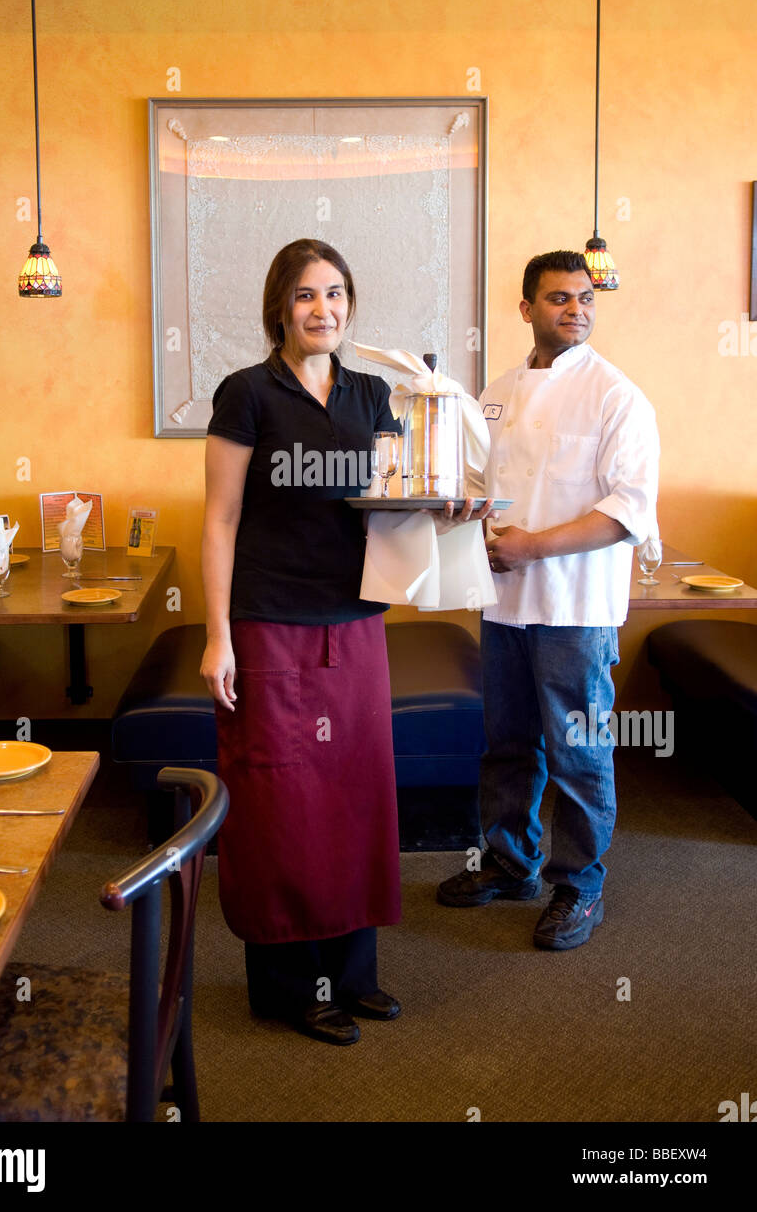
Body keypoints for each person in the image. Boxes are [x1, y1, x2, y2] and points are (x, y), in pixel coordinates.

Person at [200, 238, 402, 1045]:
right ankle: (287, 987)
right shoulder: (247, 393)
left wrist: (452, 510)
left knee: (355, 799)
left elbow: (396, 500)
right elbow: (218, 519)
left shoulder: (373, 394)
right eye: (306, 297)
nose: (324, 310)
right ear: (279, 309)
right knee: (281, 804)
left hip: (354, 623)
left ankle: (353, 977)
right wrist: (218, 636)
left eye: (336, 294)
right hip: (270, 625)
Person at [437, 249, 660, 949]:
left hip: (575, 608)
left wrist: (531, 545)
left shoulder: (616, 397)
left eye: (585, 298)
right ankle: (510, 862)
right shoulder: (494, 393)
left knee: (578, 752)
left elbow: (627, 512)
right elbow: (474, 486)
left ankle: (579, 885)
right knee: (506, 744)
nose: (576, 310)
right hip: (502, 602)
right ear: (526, 307)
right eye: (559, 298)